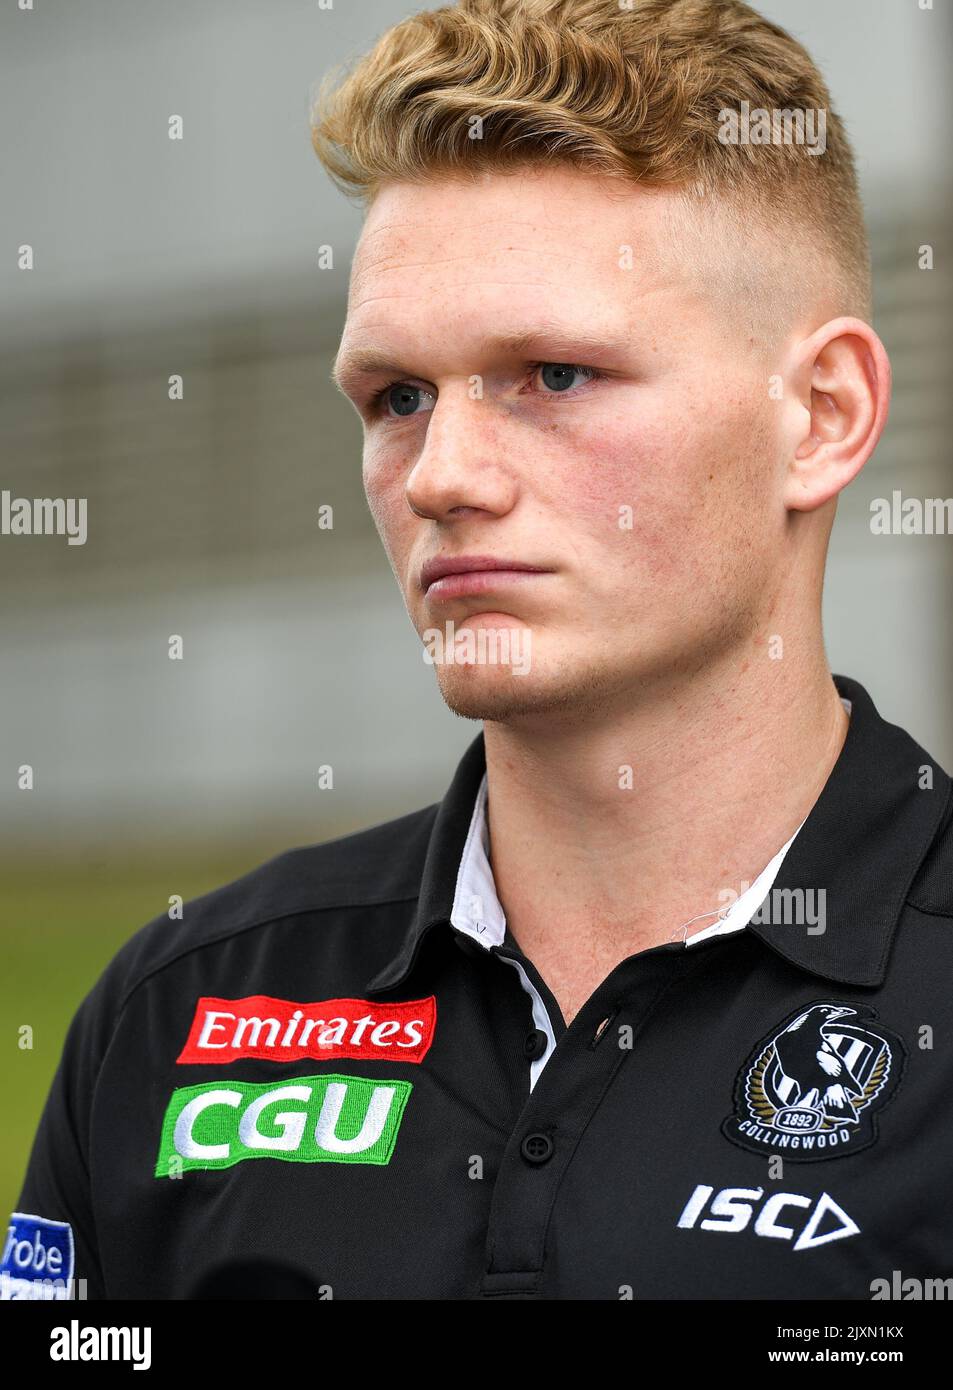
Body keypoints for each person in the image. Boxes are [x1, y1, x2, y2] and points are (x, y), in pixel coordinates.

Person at [6, 0, 952, 1301]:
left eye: (552, 376)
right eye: (396, 396)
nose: (441, 474)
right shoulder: (180, 1010)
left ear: (821, 416)